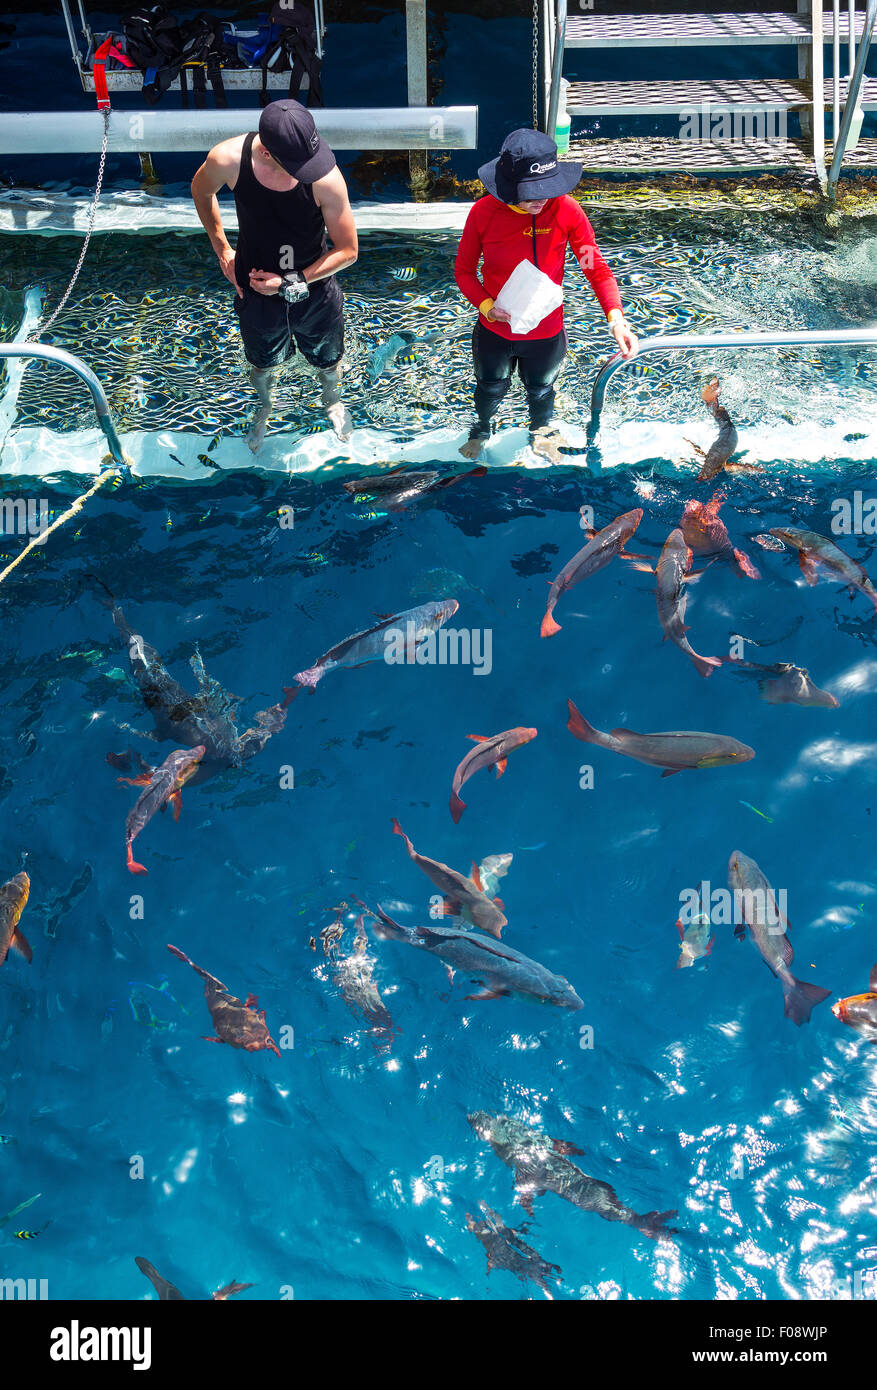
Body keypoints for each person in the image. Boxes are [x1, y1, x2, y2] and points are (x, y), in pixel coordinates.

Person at [454, 128, 638, 462]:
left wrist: (616, 319)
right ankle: (481, 430)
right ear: (509, 188)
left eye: (548, 190)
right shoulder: (483, 213)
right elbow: (463, 271)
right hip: (494, 329)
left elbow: (594, 267)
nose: (541, 199)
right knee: (489, 388)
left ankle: (541, 432)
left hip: (547, 333)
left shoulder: (567, 211)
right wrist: (486, 305)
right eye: (531, 193)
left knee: (541, 391)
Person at [191, 99, 358, 454]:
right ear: (266, 152)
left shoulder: (326, 179)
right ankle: (264, 405)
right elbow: (201, 191)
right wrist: (222, 250)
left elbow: (348, 250)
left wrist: (292, 281)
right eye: (298, 165)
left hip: (314, 289)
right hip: (253, 287)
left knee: (328, 360)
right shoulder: (228, 160)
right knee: (262, 363)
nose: (308, 171)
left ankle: (332, 398)